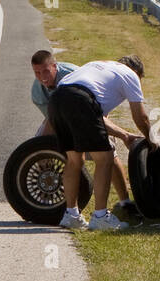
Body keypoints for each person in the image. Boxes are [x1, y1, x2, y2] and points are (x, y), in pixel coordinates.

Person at [47, 55, 153, 231]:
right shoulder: (130, 74)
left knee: (74, 160)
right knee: (105, 159)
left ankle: (71, 215)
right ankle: (100, 217)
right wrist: (151, 138)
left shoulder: (97, 65)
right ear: (138, 73)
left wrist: (125, 135)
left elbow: (96, 117)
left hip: (57, 99)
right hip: (80, 100)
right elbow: (140, 117)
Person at [30, 50, 136, 218]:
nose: (42, 77)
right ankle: (48, 201)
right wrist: (43, 151)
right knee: (42, 148)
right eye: (37, 73)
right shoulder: (37, 93)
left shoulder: (73, 73)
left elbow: (96, 112)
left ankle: (125, 202)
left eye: (46, 71)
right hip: (60, 114)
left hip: (88, 112)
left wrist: (121, 134)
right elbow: (52, 120)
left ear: (54, 67)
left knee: (108, 153)